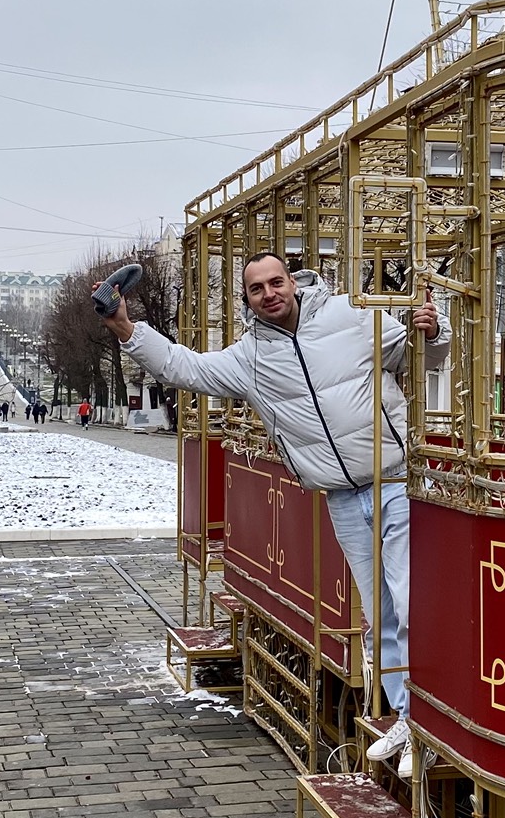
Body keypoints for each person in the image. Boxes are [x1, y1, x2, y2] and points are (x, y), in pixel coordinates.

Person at [100, 252, 449, 779]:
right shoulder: (251, 359)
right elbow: (183, 366)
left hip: (392, 480)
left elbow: (423, 354)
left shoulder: (351, 316)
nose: (270, 293)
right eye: (257, 288)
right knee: (379, 609)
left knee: (408, 597)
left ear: (294, 282)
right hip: (339, 495)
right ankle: (406, 715)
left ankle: (431, 720)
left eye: (276, 282)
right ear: (248, 300)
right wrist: (127, 329)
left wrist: (434, 326)